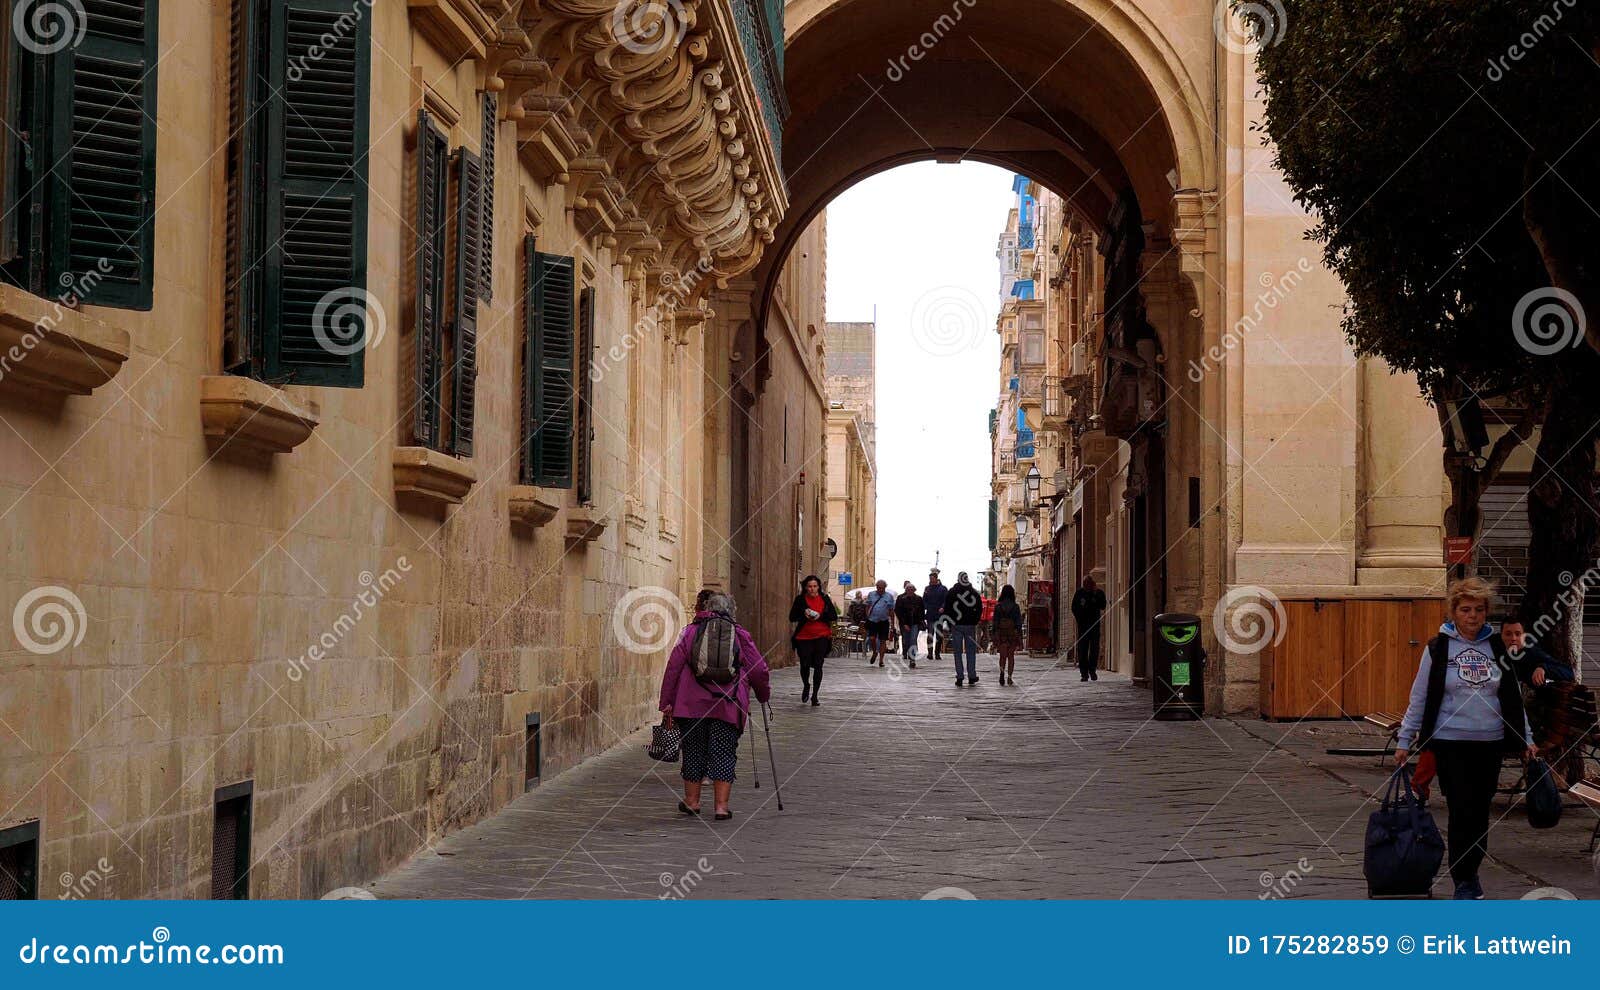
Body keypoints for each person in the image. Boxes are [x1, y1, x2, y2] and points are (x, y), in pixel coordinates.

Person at [1394, 578, 1535, 900]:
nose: (1473, 616)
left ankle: (1471, 870)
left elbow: (1512, 698)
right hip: (1451, 742)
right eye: (1466, 610)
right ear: (1454, 612)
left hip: (1489, 743)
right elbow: (1420, 696)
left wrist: (1526, 738)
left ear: (1487, 613)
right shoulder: (1438, 648)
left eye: (1479, 610)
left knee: (1479, 812)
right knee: (1460, 810)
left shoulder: (1498, 648)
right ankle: (1463, 879)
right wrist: (1405, 740)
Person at [659, 592, 771, 821]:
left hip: (691, 705)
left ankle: (692, 802)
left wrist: (667, 702)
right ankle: (721, 807)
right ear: (732, 611)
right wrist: (762, 695)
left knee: (693, 751)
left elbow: (673, 668)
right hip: (728, 705)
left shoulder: (690, 632)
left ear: (706, 607)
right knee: (724, 752)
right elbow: (758, 669)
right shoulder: (740, 634)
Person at [788, 575, 838, 706]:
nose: (812, 589)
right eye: (809, 586)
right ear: (805, 587)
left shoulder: (825, 599)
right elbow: (792, 617)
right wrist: (803, 615)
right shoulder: (800, 600)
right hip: (804, 637)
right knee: (804, 664)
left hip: (821, 636)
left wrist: (820, 616)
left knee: (818, 665)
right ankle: (806, 685)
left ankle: (815, 696)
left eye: (815, 586)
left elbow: (833, 615)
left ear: (819, 587)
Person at [944, 571, 983, 686]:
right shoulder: (973, 592)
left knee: (957, 652)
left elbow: (947, 609)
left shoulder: (952, 592)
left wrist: (950, 622)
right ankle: (971, 675)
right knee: (971, 651)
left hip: (956, 625)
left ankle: (960, 676)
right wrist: (975, 620)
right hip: (970, 625)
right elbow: (979, 607)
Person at [1070, 577, 1107, 682]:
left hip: (1094, 625)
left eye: (1089, 585)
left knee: (1094, 649)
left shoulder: (1098, 593)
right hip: (1082, 626)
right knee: (1082, 650)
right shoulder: (1079, 593)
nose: (1087, 587)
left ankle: (1092, 670)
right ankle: (1084, 674)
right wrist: (1079, 619)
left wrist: (1095, 594)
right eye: (1085, 584)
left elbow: (1103, 605)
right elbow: (1074, 607)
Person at [991, 585, 1024, 685]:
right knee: (1011, 657)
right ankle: (1009, 677)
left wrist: (994, 634)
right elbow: (1018, 622)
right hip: (1012, 633)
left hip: (1001, 634)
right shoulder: (1015, 607)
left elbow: (995, 622)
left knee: (1002, 656)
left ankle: (1002, 673)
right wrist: (1019, 634)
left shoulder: (998, 606)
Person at [864, 579, 897, 667]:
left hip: (884, 621)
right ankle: (875, 652)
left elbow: (891, 611)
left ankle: (881, 660)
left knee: (883, 640)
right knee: (872, 638)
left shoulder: (889, 596)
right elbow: (867, 606)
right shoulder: (871, 594)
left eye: (882, 588)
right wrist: (867, 615)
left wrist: (892, 624)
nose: (880, 590)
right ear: (876, 587)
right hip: (873, 620)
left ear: (885, 588)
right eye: (879, 588)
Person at [894, 581, 925, 668]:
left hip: (915, 623)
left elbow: (922, 611)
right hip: (904, 624)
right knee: (906, 641)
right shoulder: (901, 599)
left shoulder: (919, 599)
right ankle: (907, 652)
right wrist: (904, 624)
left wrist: (921, 621)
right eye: (908, 589)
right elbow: (898, 611)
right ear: (906, 590)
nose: (910, 591)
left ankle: (912, 659)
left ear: (914, 590)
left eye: (912, 589)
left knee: (913, 640)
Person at [922, 569, 949, 662]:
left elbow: (946, 600)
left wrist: (943, 607)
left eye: (932, 578)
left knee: (939, 635)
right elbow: (924, 600)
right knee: (930, 634)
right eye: (930, 578)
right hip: (930, 614)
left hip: (939, 615)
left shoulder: (943, 589)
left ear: (936, 579)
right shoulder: (927, 588)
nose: (931, 580)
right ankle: (930, 653)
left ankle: (937, 653)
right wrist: (926, 607)